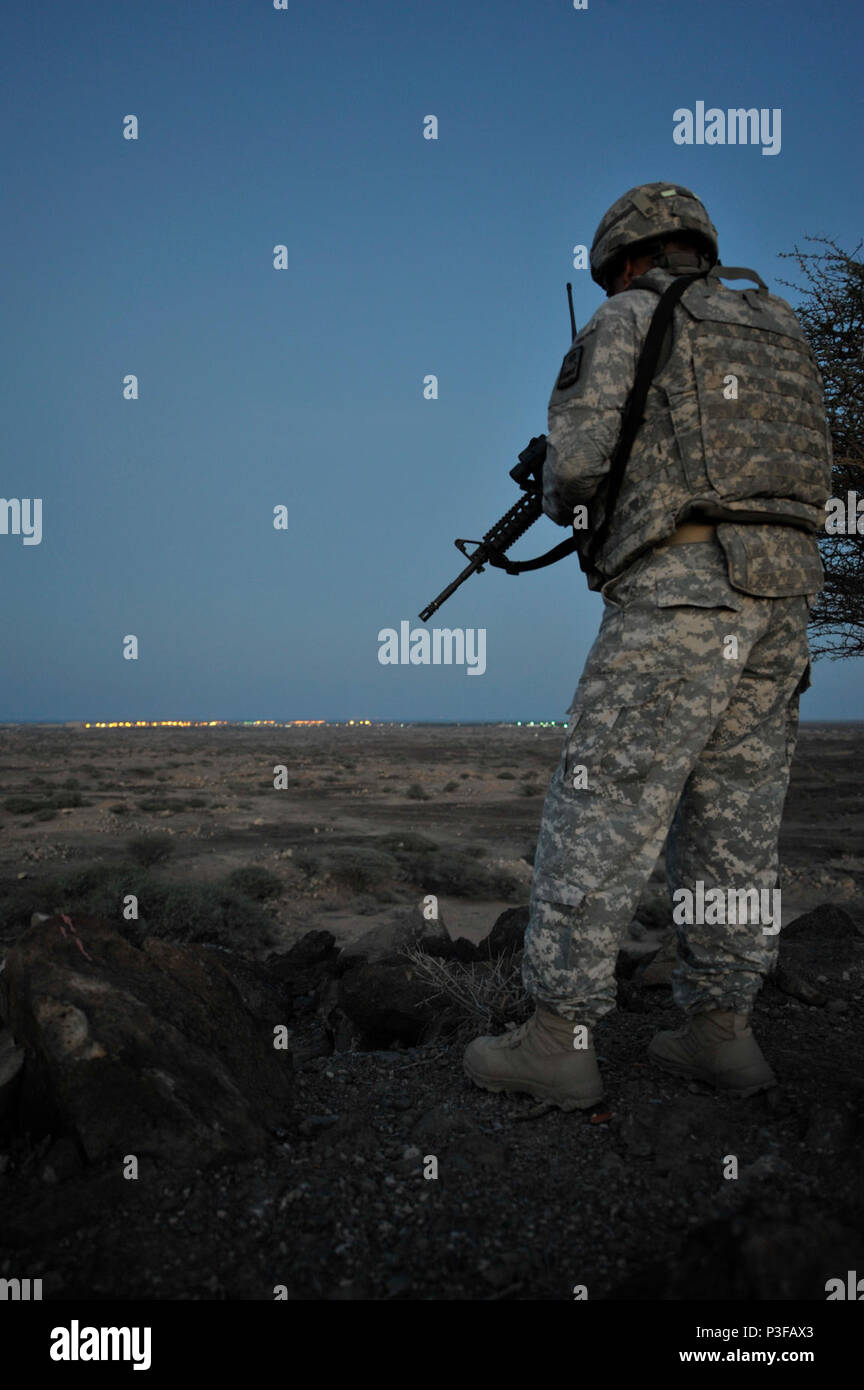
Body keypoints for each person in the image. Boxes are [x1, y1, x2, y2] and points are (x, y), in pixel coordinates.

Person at [464, 182, 833, 1109]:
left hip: (682, 594)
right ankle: (721, 1033)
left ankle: (558, 1040)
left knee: (603, 806)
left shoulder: (631, 316)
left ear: (626, 259)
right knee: (736, 824)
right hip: (784, 600)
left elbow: (579, 468)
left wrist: (552, 482)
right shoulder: (781, 329)